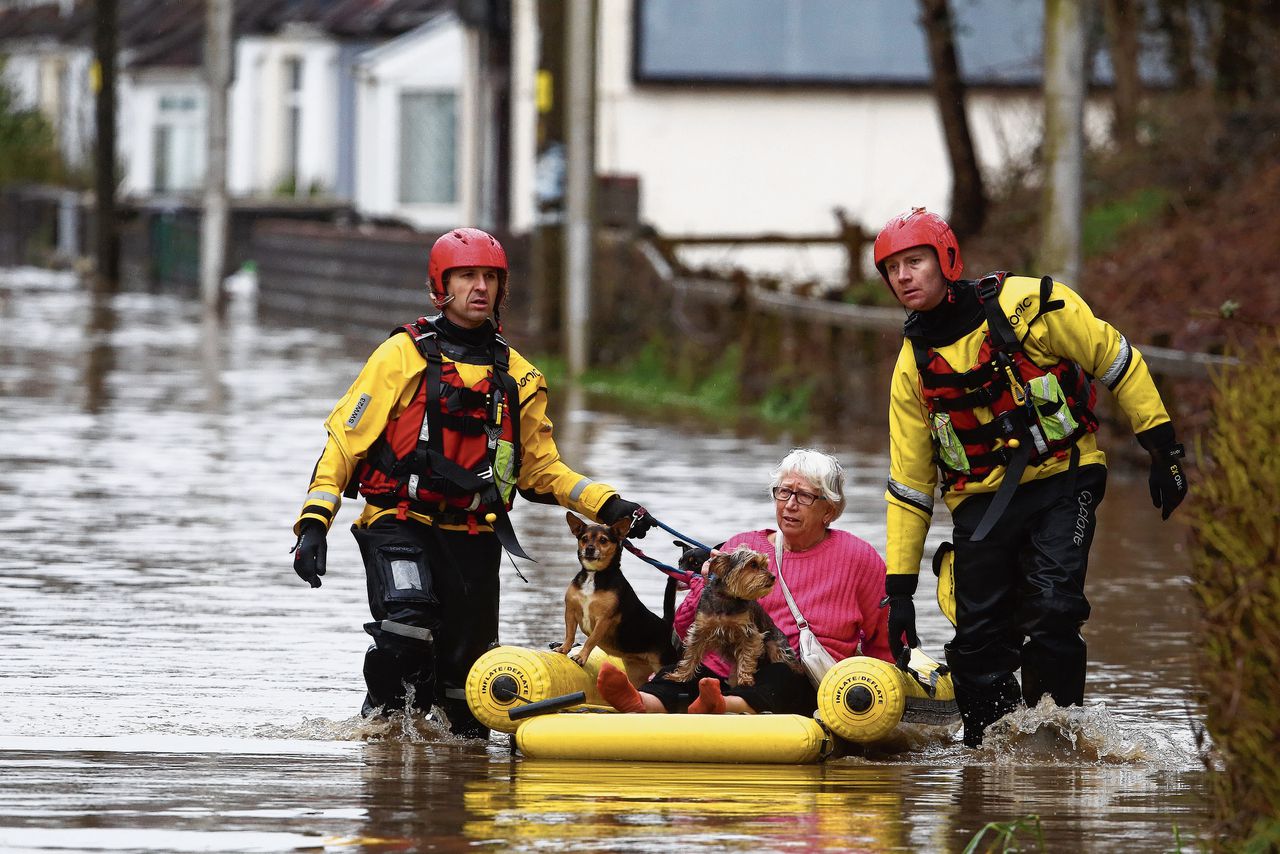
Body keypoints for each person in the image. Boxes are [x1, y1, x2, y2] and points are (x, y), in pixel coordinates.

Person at [290, 227, 650, 739]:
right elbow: (344, 443)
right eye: (466, 276)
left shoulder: (520, 376)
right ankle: (381, 735)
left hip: (475, 536)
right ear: (441, 286)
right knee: (407, 624)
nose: (480, 287)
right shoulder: (400, 355)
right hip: (400, 523)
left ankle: (447, 763)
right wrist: (313, 524)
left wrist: (608, 503)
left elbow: (540, 471)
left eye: (490, 277)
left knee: (469, 695)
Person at [874, 207, 1188, 747]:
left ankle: (1057, 743)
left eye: (915, 261)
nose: (904, 276)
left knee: (1052, 608)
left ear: (946, 260)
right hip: (980, 503)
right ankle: (990, 758)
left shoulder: (1028, 306)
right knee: (975, 646)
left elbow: (1116, 359)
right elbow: (909, 486)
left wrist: (1162, 448)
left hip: (1064, 478)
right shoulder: (912, 370)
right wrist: (899, 592)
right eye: (893, 268)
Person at [597, 448, 892, 715]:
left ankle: (721, 705)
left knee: (780, 677)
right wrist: (702, 584)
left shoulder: (859, 558)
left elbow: (885, 639)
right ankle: (642, 701)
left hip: (799, 674)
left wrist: (880, 694)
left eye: (804, 496)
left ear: (829, 510)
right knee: (687, 672)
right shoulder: (742, 546)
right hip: (726, 666)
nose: (790, 505)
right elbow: (687, 630)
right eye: (784, 492)